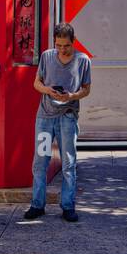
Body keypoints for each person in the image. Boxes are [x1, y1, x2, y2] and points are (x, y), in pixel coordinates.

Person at [24, 23, 91, 223]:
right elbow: (37, 83)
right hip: (45, 117)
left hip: (68, 117)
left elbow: (86, 89)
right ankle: (37, 204)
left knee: (68, 163)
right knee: (40, 162)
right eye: (59, 45)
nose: (62, 49)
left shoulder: (82, 60)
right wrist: (48, 90)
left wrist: (72, 95)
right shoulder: (46, 56)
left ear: (73, 42)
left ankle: (68, 206)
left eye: (66, 46)